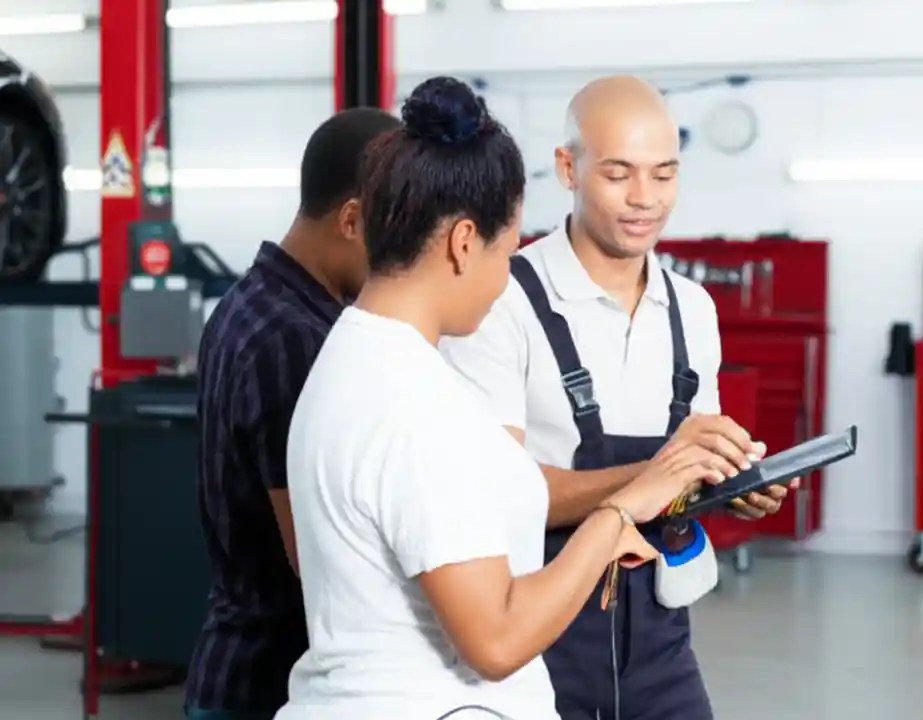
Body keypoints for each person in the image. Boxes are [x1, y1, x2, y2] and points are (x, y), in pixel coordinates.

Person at [274, 77, 735, 720]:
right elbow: (495, 641)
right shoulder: (417, 405)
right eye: (508, 247)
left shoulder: (356, 357)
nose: (507, 276)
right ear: (465, 243)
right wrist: (619, 512)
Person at [438, 75, 794, 720]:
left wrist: (732, 485)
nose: (644, 198)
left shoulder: (692, 310)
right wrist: (655, 476)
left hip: (661, 642)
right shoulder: (501, 300)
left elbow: (691, 472)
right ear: (567, 169)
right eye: (618, 173)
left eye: (664, 174)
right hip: (538, 637)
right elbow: (491, 496)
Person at [185, 107, 401, 720]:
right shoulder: (294, 341)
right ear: (352, 220)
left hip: (238, 666)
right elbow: (315, 555)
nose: (402, 259)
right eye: (397, 234)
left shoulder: (250, 302)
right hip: (268, 684)